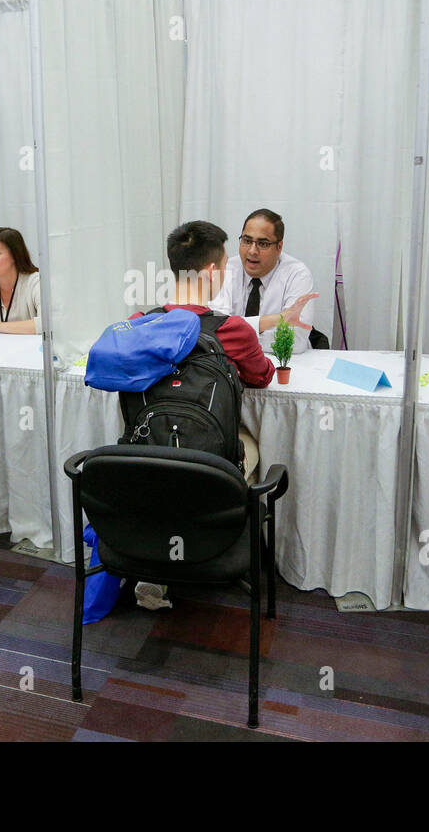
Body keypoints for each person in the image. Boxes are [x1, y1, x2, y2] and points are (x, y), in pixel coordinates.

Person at [129, 220, 276, 611]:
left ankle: (156, 560)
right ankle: (217, 540)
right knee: (254, 446)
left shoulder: (140, 322)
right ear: (212, 272)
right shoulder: (232, 329)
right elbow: (261, 376)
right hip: (208, 463)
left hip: (147, 458)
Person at [209, 208, 319, 355]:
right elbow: (214, 328)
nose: (252, 251)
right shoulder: (226, 269)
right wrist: (271, 323)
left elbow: (295, 340)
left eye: (263, 244)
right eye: (247, 241)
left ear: (279, 247)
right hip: (233, 362)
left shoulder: (297, 274)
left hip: (285, 362)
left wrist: (233, 335)